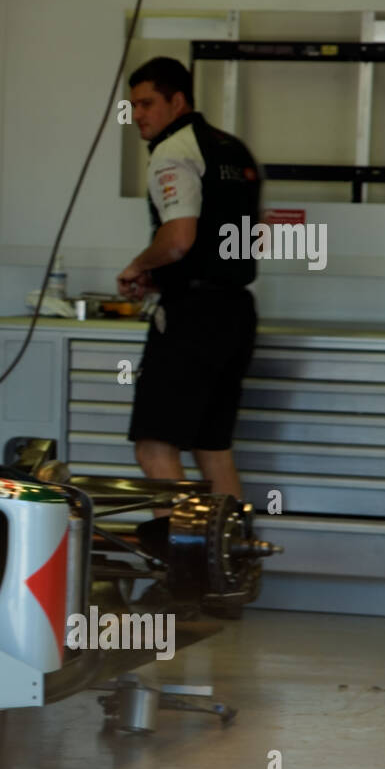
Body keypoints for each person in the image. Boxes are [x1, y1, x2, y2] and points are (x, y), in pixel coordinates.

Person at [116, 56, 261, 502]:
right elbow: (217, 242)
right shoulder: (233, 149)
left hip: (193, 317)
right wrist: (167, 275)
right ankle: (230, 567)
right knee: (213, 449)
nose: (137, 114)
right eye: (133, 105)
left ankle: (188, 568)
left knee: (154, 450)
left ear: (177, 101)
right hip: (235, 312)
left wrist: (139, 266)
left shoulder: (174, 150)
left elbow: (179, 239)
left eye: (146, 104)